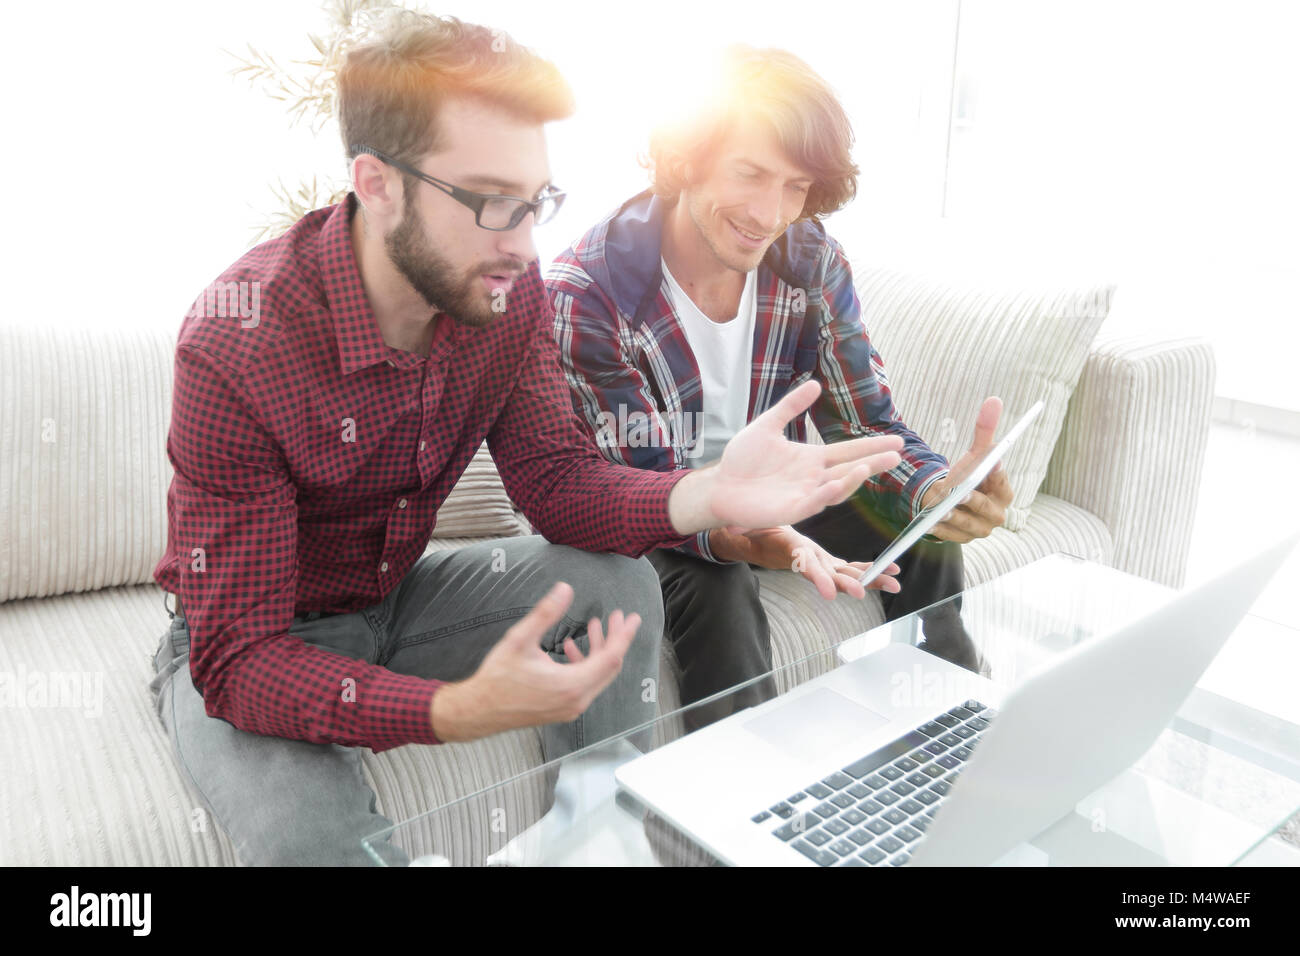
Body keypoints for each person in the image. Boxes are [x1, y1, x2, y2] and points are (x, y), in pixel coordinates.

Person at [148, 14, 903, 866]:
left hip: (402, 595)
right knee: (311, 847)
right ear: (377, 182)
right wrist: (450, 711)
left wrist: (708, 493)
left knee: (616, 584)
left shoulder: (505, 289)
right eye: (489, 202)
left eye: (535, 202)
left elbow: (557, 481)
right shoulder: (237, 341)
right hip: (266, 634)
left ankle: (601, 839)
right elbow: (238, 659)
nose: (523, 244)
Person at [547, 45, 1011, 731]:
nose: (771, 213)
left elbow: (862, 423)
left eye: (795, 186)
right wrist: (770, 537)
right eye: (752, 174)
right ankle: (741, 794)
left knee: (922, 528)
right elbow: (646, 492)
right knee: (722, 588)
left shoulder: (810, 259)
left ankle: (950, 729)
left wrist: (937, 492)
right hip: (657, 518)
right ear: (686, 159)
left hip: (776, 491)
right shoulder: (589, 293)